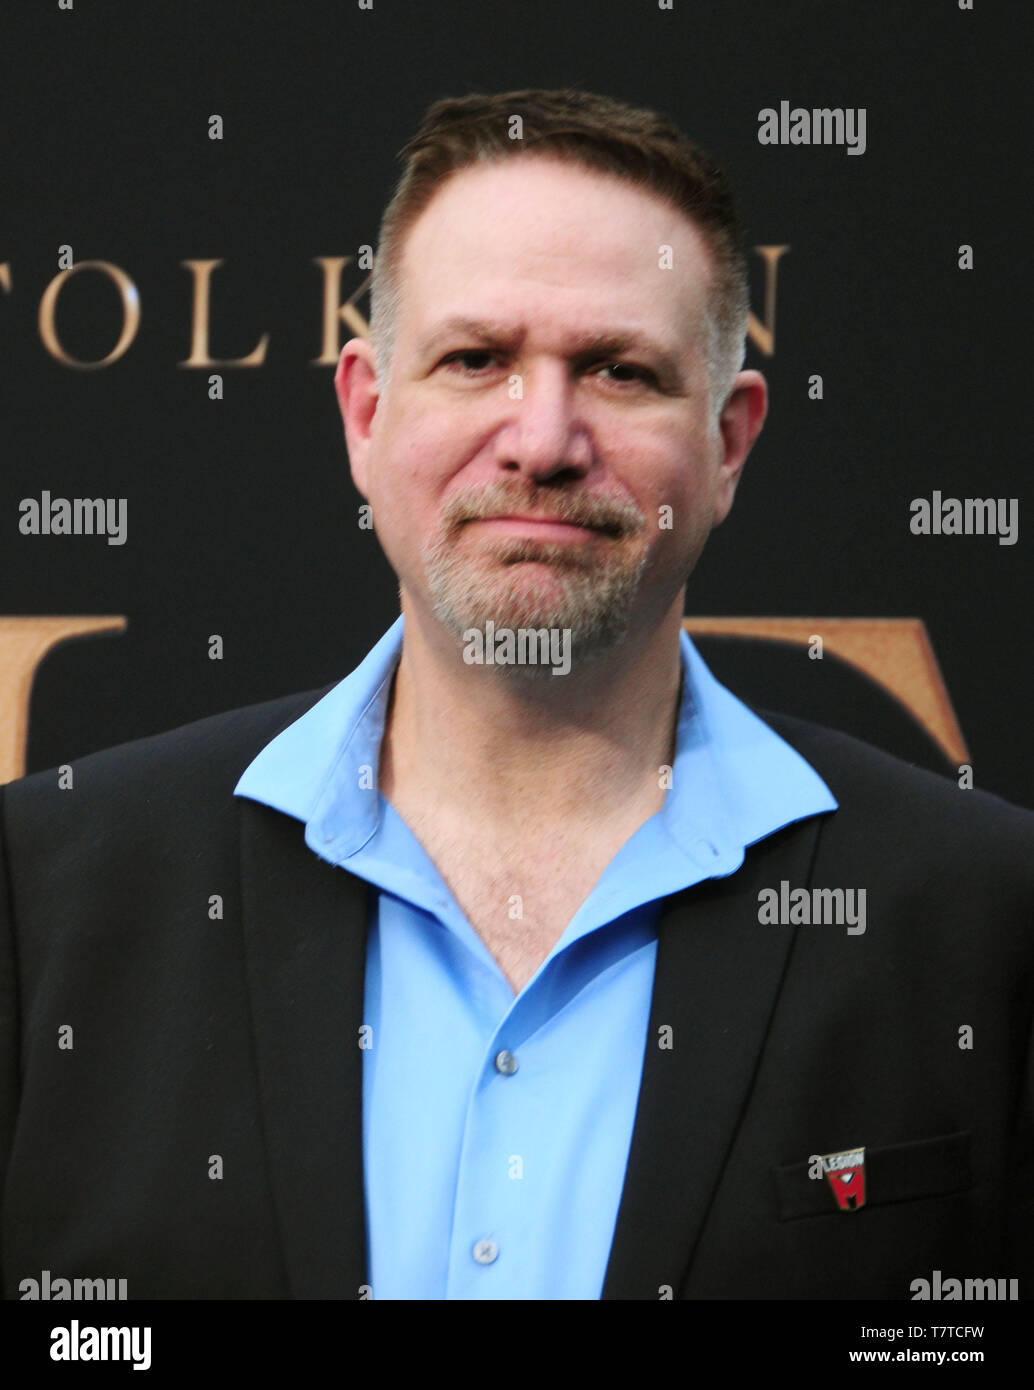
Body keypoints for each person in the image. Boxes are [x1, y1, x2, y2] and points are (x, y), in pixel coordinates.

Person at [1, 88, 1032, 1302]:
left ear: (729, 444)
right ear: (367, 415)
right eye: (475, 358)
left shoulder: (980, 914)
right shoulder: (52, 890)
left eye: (618, 370)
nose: (540, 437)